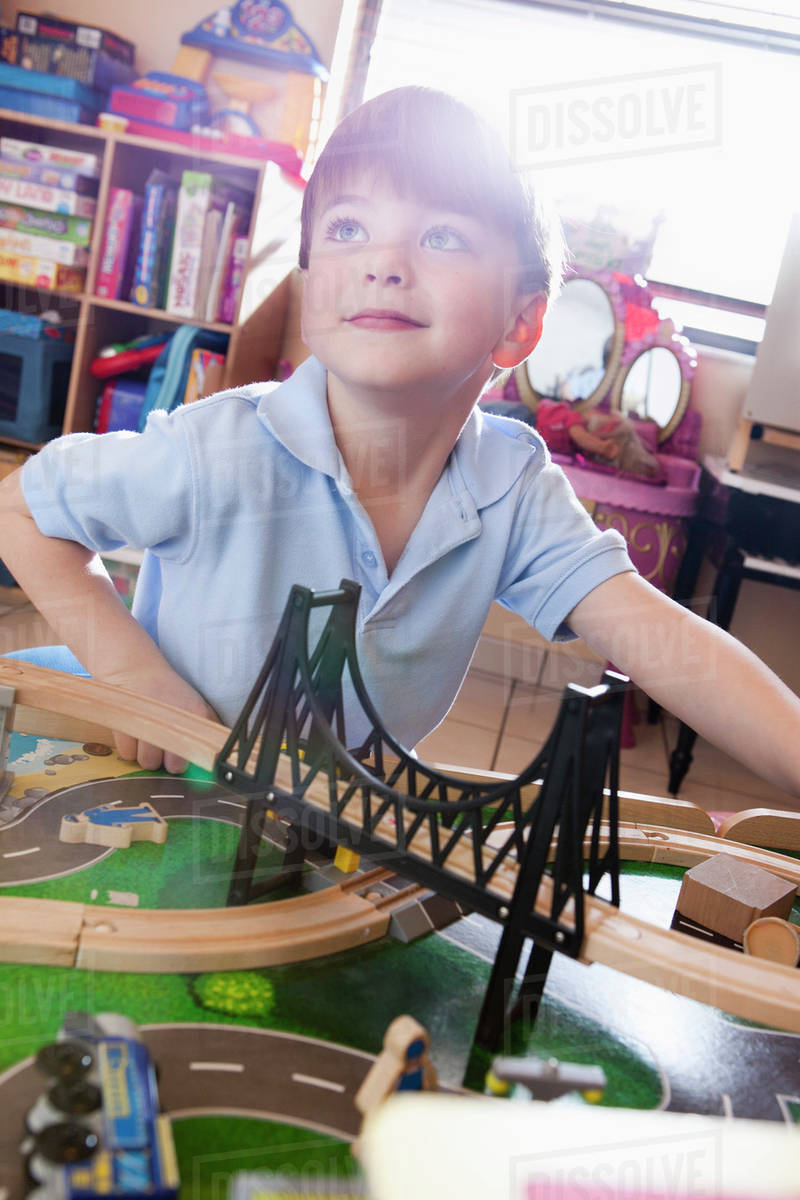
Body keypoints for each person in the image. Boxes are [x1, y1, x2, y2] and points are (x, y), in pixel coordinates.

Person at [1, 88, 800, 808]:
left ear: (521, 324)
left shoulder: (512, 488)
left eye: (442, 236)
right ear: (313, 285)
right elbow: (21, 509)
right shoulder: (220, 448)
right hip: (153, 793)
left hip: (318, 824)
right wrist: (136, 677)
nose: (383, 263)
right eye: (348, 230)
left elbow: (664, 642)